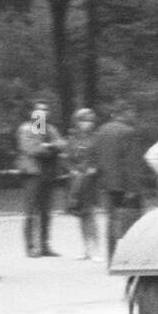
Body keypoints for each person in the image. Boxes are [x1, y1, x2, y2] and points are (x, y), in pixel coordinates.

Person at [92, 101, 144, 264]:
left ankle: (112, 257)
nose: (134, 115)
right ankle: (131, 258)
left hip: (107, 183)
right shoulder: (129, 132)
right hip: (125, 183)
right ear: (124, 112)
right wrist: (133, 188)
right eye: (132, 111)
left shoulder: (101, 131)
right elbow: (131, 162)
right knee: (132, 220)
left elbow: (95, 156)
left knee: (112, 219)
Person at [15, 98, 65, 257]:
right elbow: (31, 149)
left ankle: (44, 245)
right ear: (33, 112)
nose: (43, 112)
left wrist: (48, 146)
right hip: (32, 173)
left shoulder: (49, 129)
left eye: (45, 109)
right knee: (31, 211)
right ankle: (30, 246)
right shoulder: (26, 128)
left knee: (46, 211)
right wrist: (50, 148)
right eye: (39, 109)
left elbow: (62, 144)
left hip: (47, 173)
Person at [64, 107, 101, 260]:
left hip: (90, 181)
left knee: (90, 215)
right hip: (76, 180)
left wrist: (95, 168)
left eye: (90, 121)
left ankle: (96, 250)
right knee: (81, 216)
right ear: (78, 122)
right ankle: (85, 249)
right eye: (84, 121)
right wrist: (71, 169)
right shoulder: (72, 139)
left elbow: (101, 157)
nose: (87, 124)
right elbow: (67, 158)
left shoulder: (97, 138)